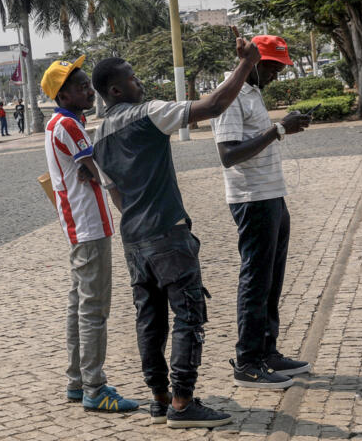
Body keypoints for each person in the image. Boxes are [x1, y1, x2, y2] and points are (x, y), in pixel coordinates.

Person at [88, 33, 262, 429]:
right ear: (116, 89)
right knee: (188, 315)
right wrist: (247, 64)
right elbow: (215, 106)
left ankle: (160, 398)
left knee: (149, 320)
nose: (139, 82)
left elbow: (116, 195)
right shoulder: (148, 113)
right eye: (132, 78)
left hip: (134, 239)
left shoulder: (97, 138)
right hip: (167, 234)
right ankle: (183, 403)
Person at [211, 35, 311, 389]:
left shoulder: (252, 90)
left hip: (271, 195)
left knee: (271, 278)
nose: (276, 75)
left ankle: (268, 351)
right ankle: (248, 361)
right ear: (254, 61)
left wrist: (280, 128)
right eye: (273, 67)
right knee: (255, 279)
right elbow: (228, 155)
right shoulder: (231, 92)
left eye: (280, 69)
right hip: (251, 199)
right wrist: (279, 130)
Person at [40, 56, 139, 414]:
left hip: (78, 225)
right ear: (63, 95)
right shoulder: (70, 125)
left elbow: (91, 168)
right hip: (89, 225)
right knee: (94, 308)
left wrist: (92, 168)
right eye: (81, 86)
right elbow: (99, 170)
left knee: (79, 304)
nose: (88, 90)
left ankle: (77, 380)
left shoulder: (57, 124)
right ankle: (94, 387)